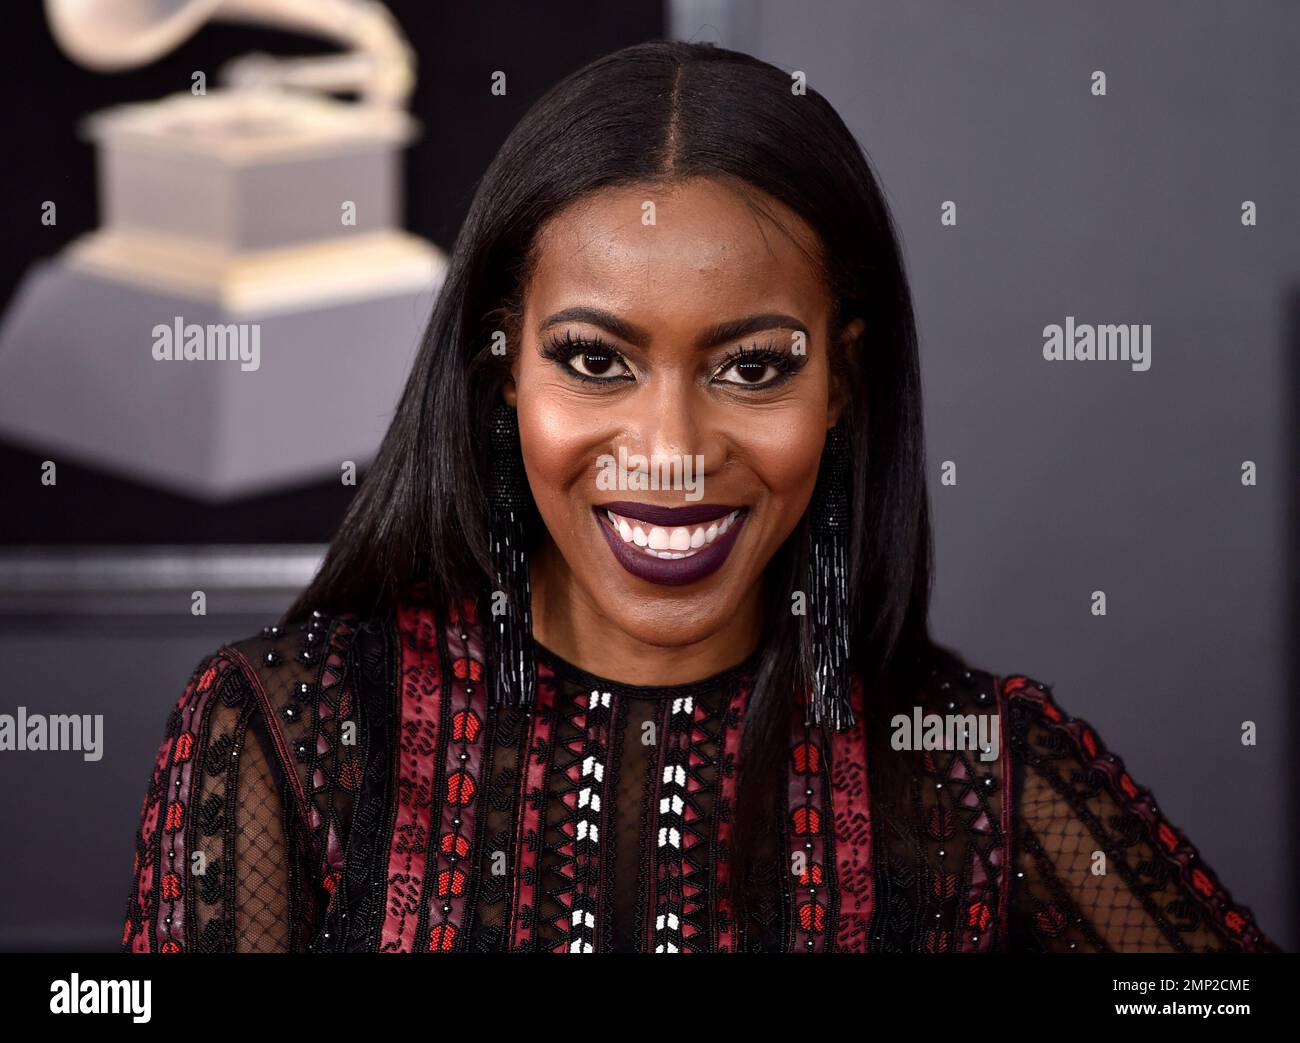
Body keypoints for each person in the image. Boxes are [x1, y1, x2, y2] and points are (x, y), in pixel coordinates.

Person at [120, 40, 1277, 954]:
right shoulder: (292, 736)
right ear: (501, 370)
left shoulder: (970, 766)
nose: (669, 449)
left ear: (839, 384)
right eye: (592, 359)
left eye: (754, 367)